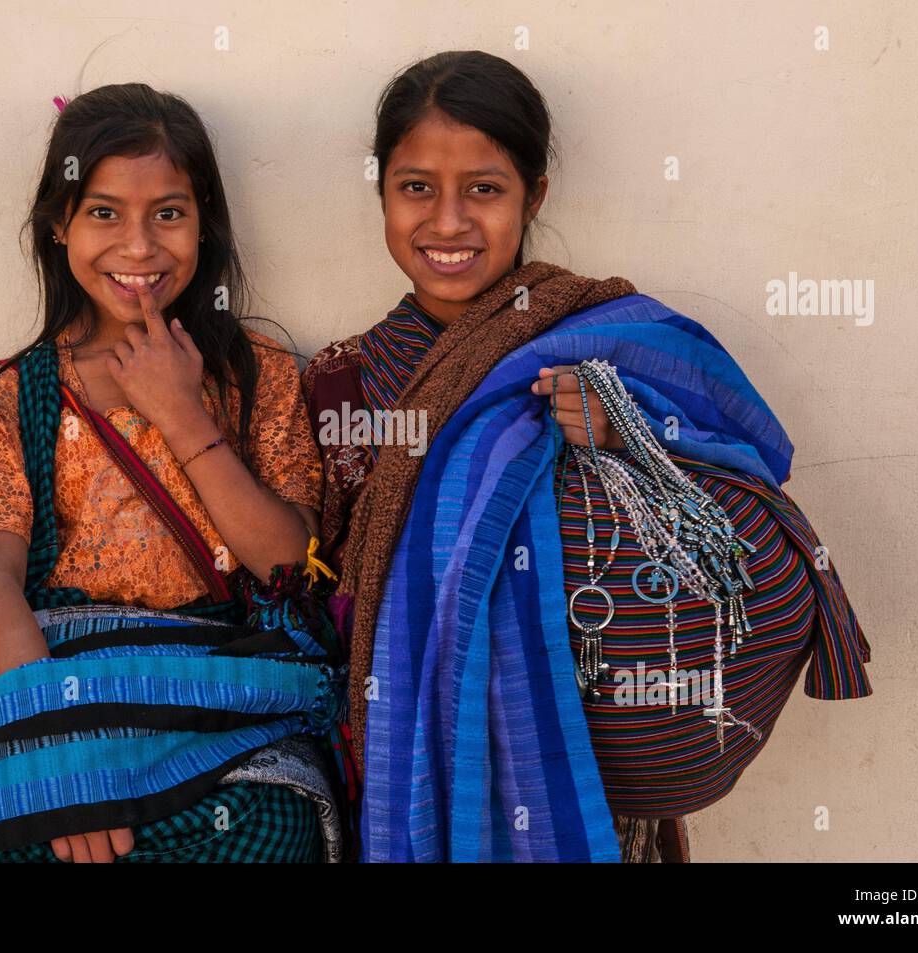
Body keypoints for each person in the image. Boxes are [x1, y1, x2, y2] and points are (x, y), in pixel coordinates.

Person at [302, 51, 872, 863]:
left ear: (533, 194)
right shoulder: (346, 380)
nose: (449, 221)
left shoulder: (611, 341)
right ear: (383, 193)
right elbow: (329, 581)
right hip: (412, 761)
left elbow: (743, 474)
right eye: (416, 187)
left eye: (485, 189)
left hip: (596, 789)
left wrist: (627, 427)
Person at [0, 83, 343, 863]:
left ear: (204, 223)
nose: (138, 247)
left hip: (215, 711)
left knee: (263, 830)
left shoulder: (260, 377)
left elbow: (284, 562)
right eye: (104, 212)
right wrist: (62, 768)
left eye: (168, 213)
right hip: (49, 694)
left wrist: (182, 413)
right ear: (58, 223)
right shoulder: (10, 397)